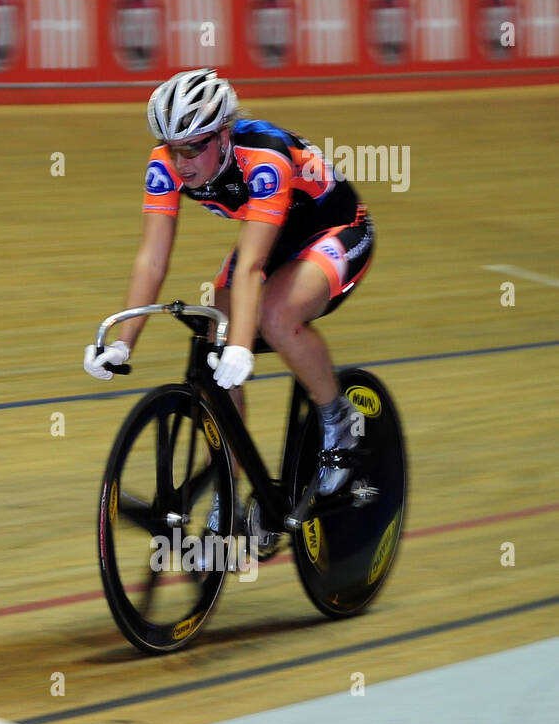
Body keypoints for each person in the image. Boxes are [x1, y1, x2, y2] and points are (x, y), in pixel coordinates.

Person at [84, 69, 376, 526]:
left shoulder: (265, 157)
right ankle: (229, 487)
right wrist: (124, 341)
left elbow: (253, 269)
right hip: (275, 233)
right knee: (211, 341)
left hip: (336, 230)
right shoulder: (163, 163)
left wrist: (242, 346)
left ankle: (338, 421)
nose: (182, 163)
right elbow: (152, 260)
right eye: (174, 148)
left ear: (223, 134)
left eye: (195, 146)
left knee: (276, 317)